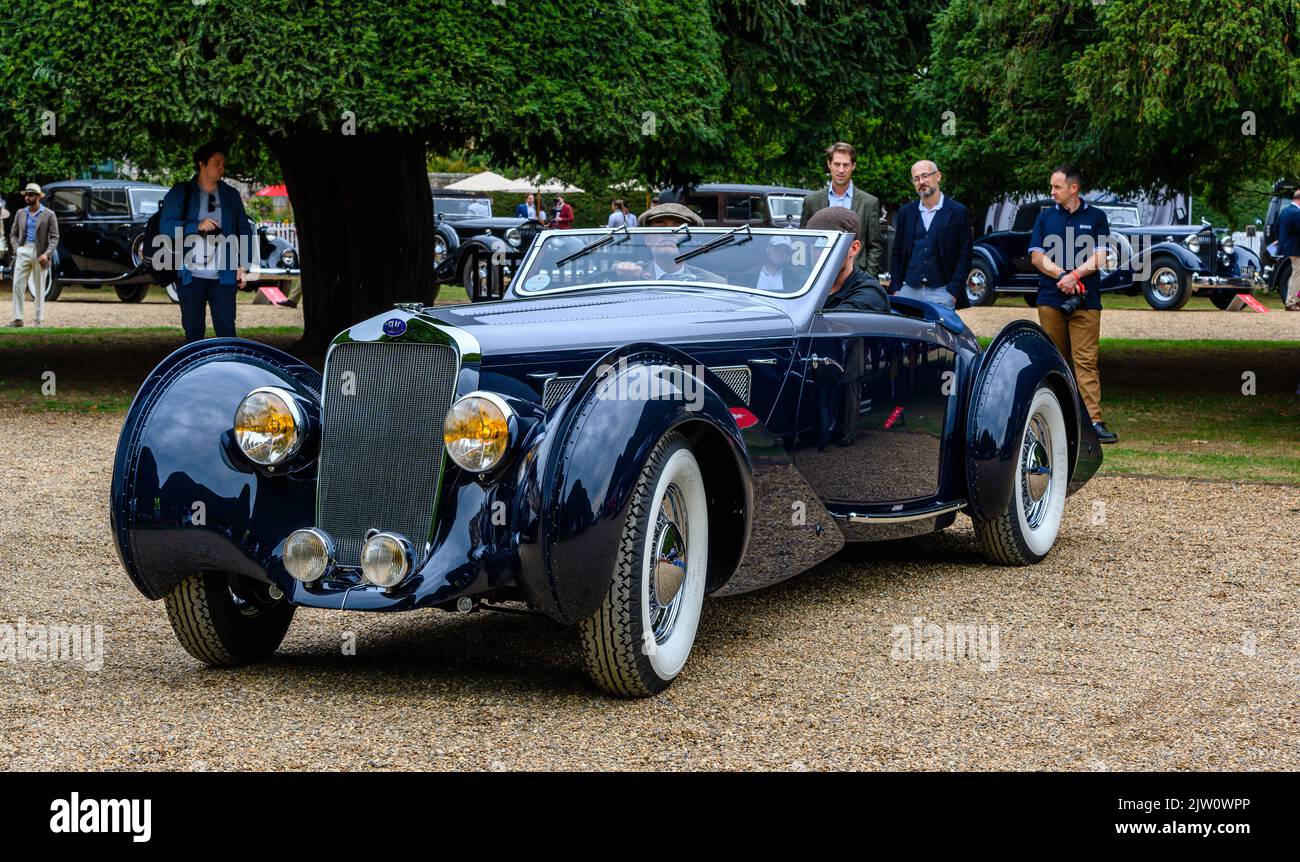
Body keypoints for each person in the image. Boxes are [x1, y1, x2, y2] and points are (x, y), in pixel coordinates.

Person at [1028, 163, 1116, 443]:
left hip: (1086, 301)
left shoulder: (1097, 217)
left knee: (1086, 362)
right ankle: (1059, 422)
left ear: (1073, 188)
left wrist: (1076, 275)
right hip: (1051, 300)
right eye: (1052, 186)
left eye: (1057, 187)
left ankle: (1093, 422)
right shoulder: (1044, 219)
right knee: (1056, 361)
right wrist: (1063, 275)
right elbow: (1037, 257)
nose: (1052, 192)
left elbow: (1102, 256)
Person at [159, 142, 254, 343]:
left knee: (227, 331)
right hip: (190, 275)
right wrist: (196, 226)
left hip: (224, 276)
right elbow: (165, 227)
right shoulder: (180, 192)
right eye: (217, 163)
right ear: (202, 164)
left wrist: (243, 266)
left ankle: (228, 371)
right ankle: (196, 373)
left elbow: (244, 230)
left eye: (223, 164)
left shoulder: (230, 195)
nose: (222, 168)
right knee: (193, 333)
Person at [889, 160, 973, 309]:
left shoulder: (958, 212)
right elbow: (897, 252)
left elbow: (965, 255)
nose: (921, 181)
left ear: (938, 176)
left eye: (925, 176)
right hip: (908, 290)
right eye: (916, 178)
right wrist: (896, 289)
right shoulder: (906, 213)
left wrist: (953, 292)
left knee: (939, 333)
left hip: (942, 292)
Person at [799, 142, 884, 274]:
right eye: (837, 164)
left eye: (846, 165)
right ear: (829, 164)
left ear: (853, 166)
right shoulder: (812, 201)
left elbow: (875, 246)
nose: (841, 170)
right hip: (819, 273)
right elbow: (804, 241)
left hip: (856, 276)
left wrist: (868, 277)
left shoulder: (869, 203)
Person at [806, 207, 889, 312]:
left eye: (831, 244)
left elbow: (832, 324)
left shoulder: (870, 294)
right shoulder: (803, 285)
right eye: (815, 244)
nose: (820, 252)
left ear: (854, 248)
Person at [6, 183, 59, 328]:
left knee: (39, 288)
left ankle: (38, 320)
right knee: (17, 285)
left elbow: (55, 237)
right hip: (24, 251)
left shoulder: (49, 214)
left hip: (40, 253)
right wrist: (17, 249)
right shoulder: (20, 213)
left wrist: (47, 254)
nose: (27, 197)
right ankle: (17, 319)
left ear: (38, 197)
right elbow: (13, 234)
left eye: (31, 195)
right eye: (26, 195)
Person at [1278, 187, 1300, 311]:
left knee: (1296, 274)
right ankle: (1291, 302)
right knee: (1297, 275)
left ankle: (1295, 301)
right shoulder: (1296, 213)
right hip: (1297, 248)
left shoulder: (1284, 211)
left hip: (1288, 248)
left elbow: (1276, 228)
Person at [636, 202, 704, 228]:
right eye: (661, 227)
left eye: (680, 227)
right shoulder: (627, 260)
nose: (669, 233)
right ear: (647, 239)